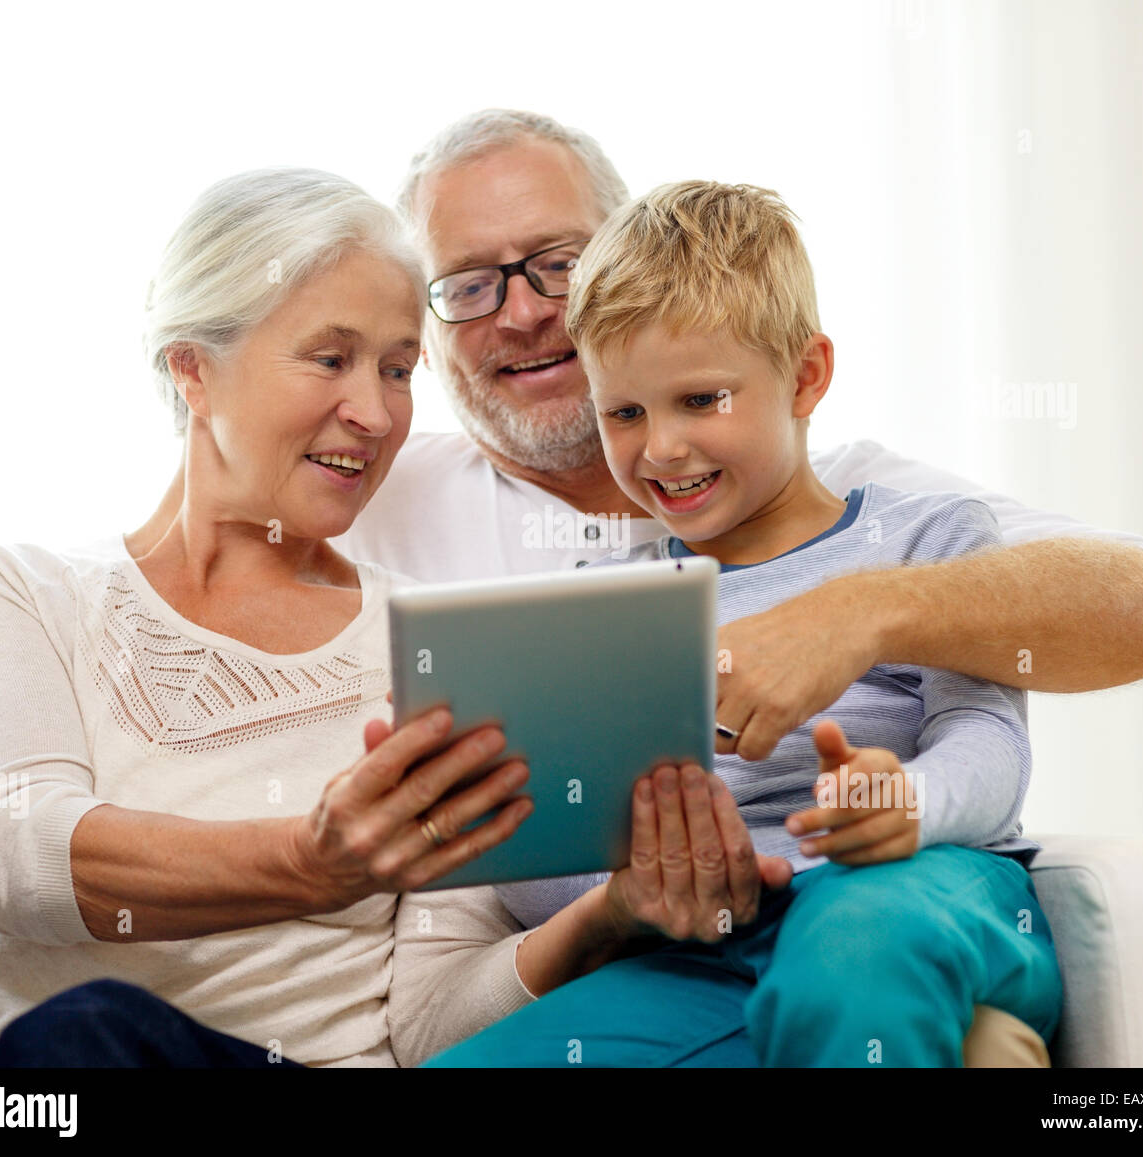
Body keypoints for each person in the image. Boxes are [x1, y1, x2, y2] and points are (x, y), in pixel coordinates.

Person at [0, 167, 775, 1068]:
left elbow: (430, 1024)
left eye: (399, 370)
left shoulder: (426, 647)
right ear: (194, 371)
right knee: (79, 1036)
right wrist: (310, 860)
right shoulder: (9, 593)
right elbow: (15, 855)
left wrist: (608, 915)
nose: (374, 413)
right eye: (331, 359)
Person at [431, 179, 1061, 1066]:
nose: (660, 449)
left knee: (850, 968)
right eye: (624, 412)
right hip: (704, 945)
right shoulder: (602, 599)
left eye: (700, 401)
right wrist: (633, 886)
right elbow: (545, 866)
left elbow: (991, 740)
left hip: (912, 888)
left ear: (805, 377)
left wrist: (906, 803)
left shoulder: (927, 534)